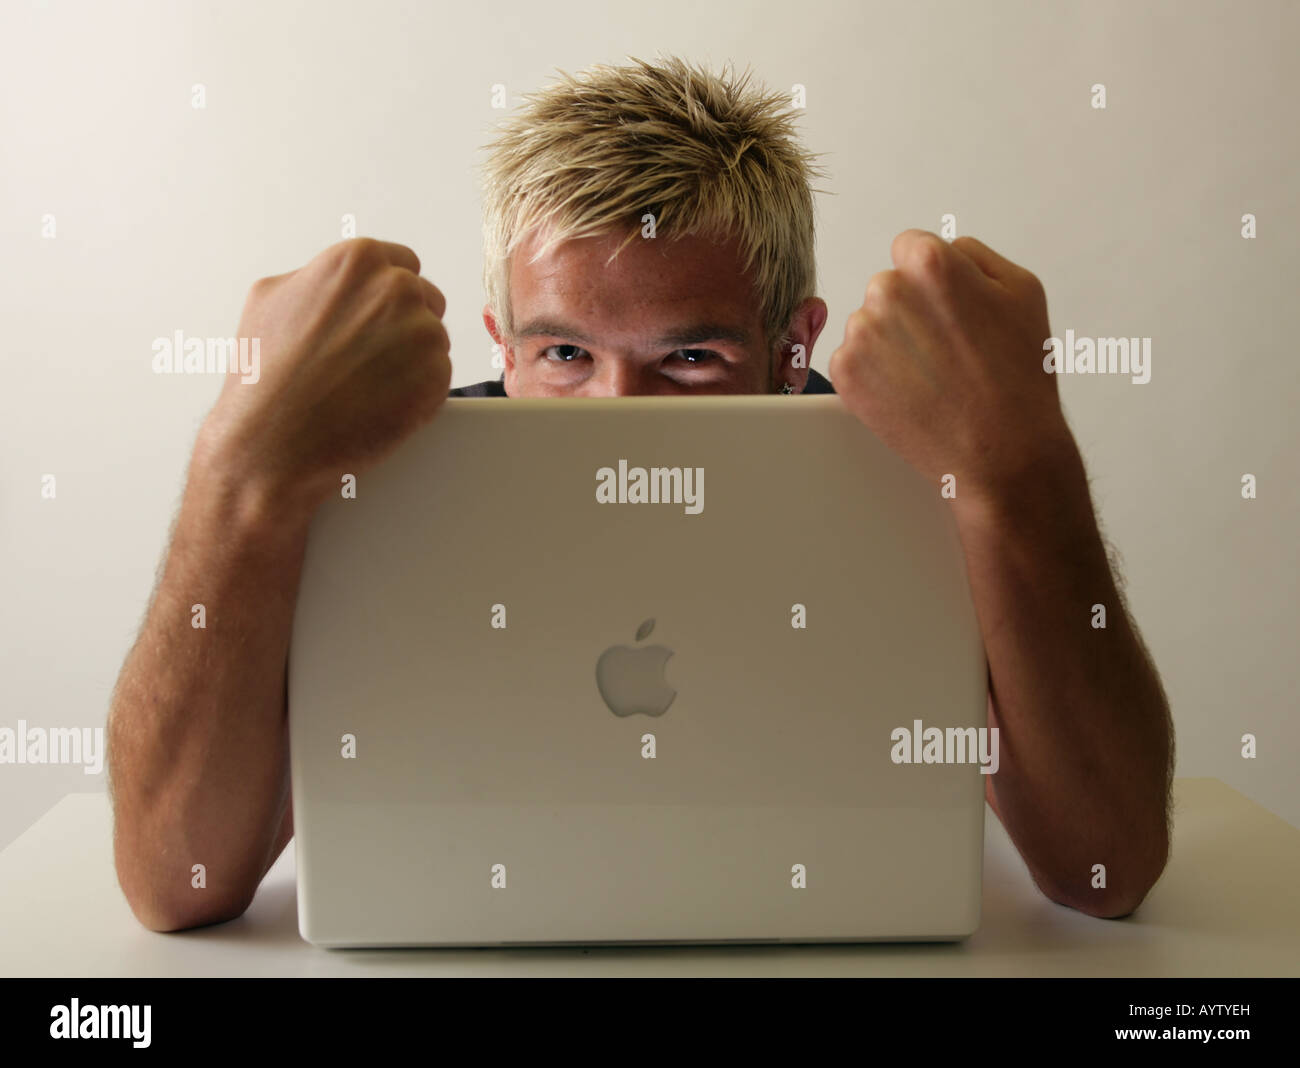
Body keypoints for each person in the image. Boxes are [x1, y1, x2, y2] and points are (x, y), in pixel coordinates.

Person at [107, 55, 1173, 933]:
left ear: (792, 345)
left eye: (690, 357)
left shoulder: (906, 480)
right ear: (500, 348)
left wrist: (1022, 465)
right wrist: (236, 471)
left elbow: (1103, 870)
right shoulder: (369, 481)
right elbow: (176, 884)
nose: (616, 410)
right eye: (564, 350)